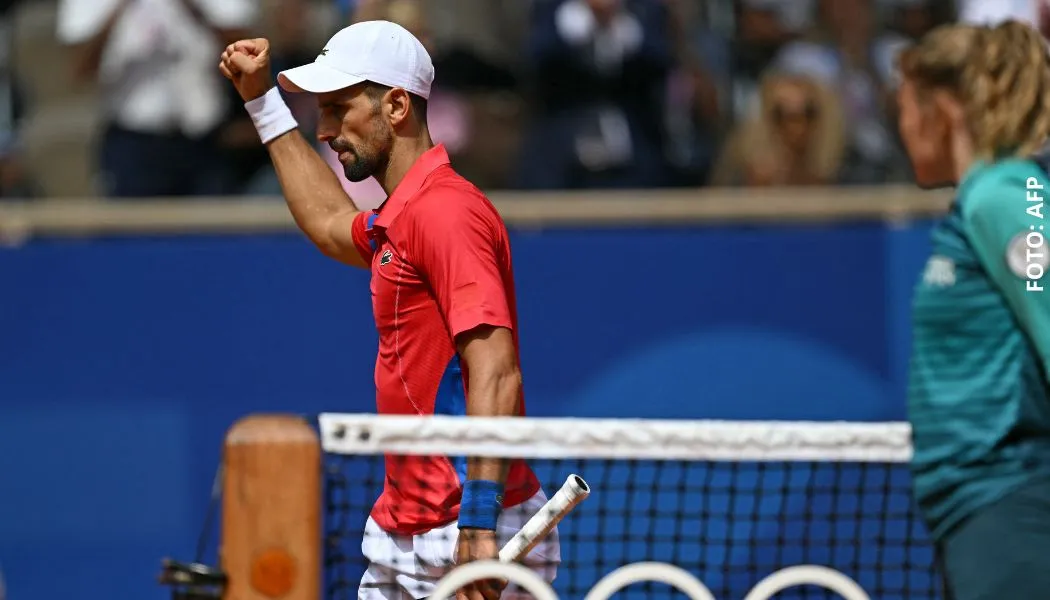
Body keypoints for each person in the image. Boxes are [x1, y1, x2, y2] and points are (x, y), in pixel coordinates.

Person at [217, 20, 559, 600]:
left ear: (396, 105)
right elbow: (328, 225)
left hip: (464, 530)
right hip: (403, 531)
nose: (324, 130)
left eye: (337, 110)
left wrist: (478, 525)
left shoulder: (446, 213)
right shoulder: (402, 214)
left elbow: (495, 370)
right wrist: (262, 103)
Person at [898, 19, 1050, 600]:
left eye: (908, 106)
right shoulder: (989, 196)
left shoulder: (1004, 194)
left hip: (1009, 504)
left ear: (944, 110)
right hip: (977, 510)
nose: (902, 125)